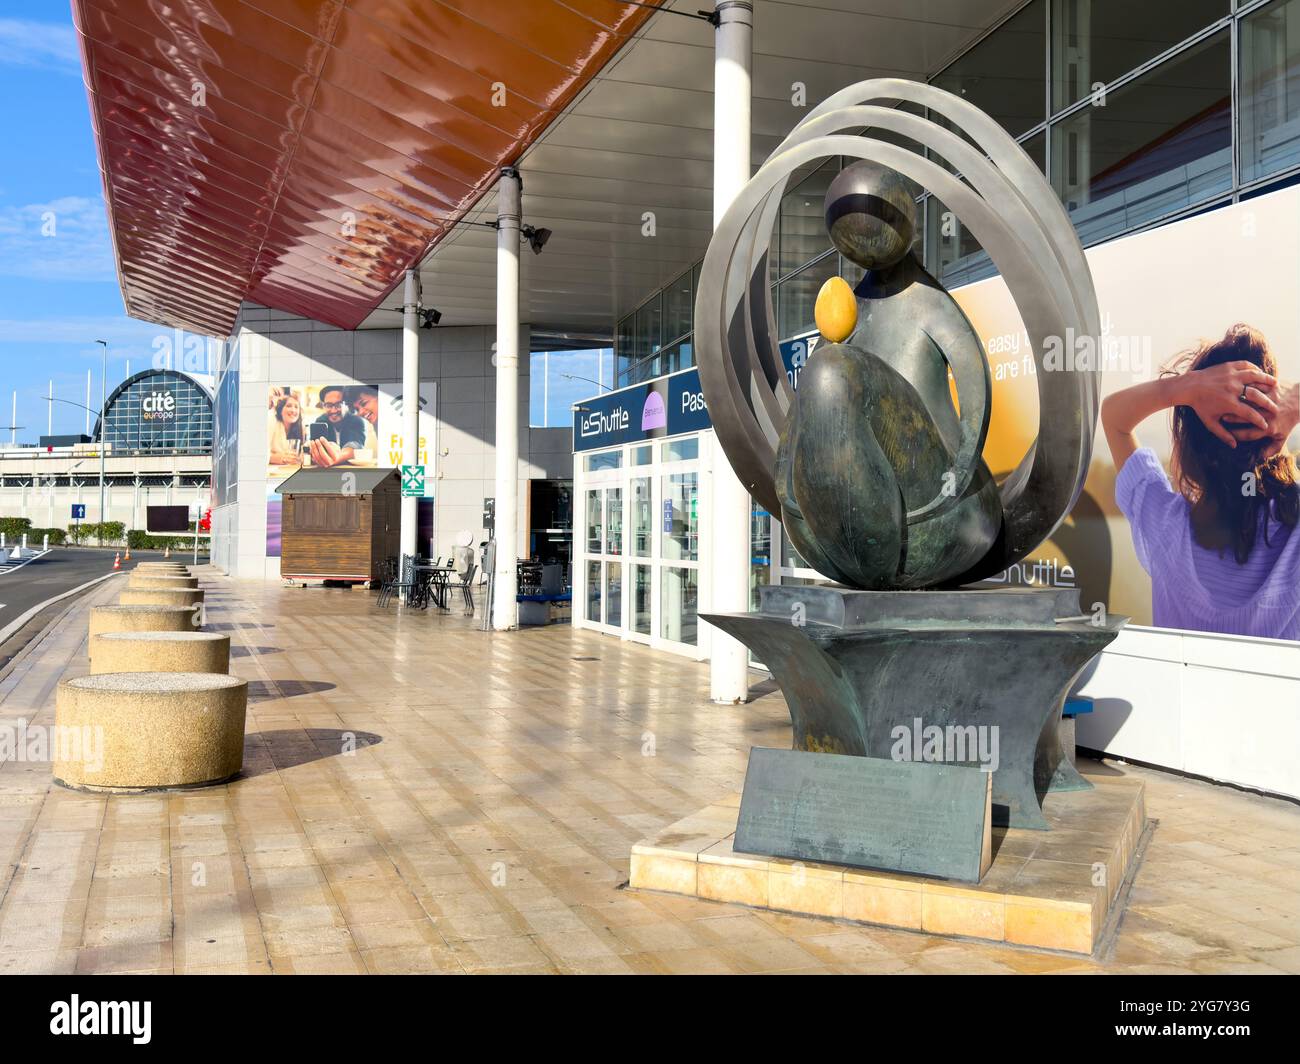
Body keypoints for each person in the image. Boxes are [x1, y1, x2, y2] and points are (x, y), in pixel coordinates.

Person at [1100, 324, 1300, 639]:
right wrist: (1294, 401)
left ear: (1189, 442)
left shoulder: (1167, 530)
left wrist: (1189, 388)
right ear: (1275, 440)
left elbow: (1114, 418)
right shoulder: (1294, 538)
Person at [309, 384, 368, 468]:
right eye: (329, 405)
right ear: (323, 405)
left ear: (346, 405)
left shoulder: (357, 420)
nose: (333, 410)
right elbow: (315, 446)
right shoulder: (320, 421)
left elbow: (355, 445)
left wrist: (336, 457)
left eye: (338, 405)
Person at [268, 391, 304, 466]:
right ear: (280, 410)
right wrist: (276, 458)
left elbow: (301, 455)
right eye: (289, 406)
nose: (293, 410)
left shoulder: (300, 428)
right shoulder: (271, 420)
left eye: (296, 407)